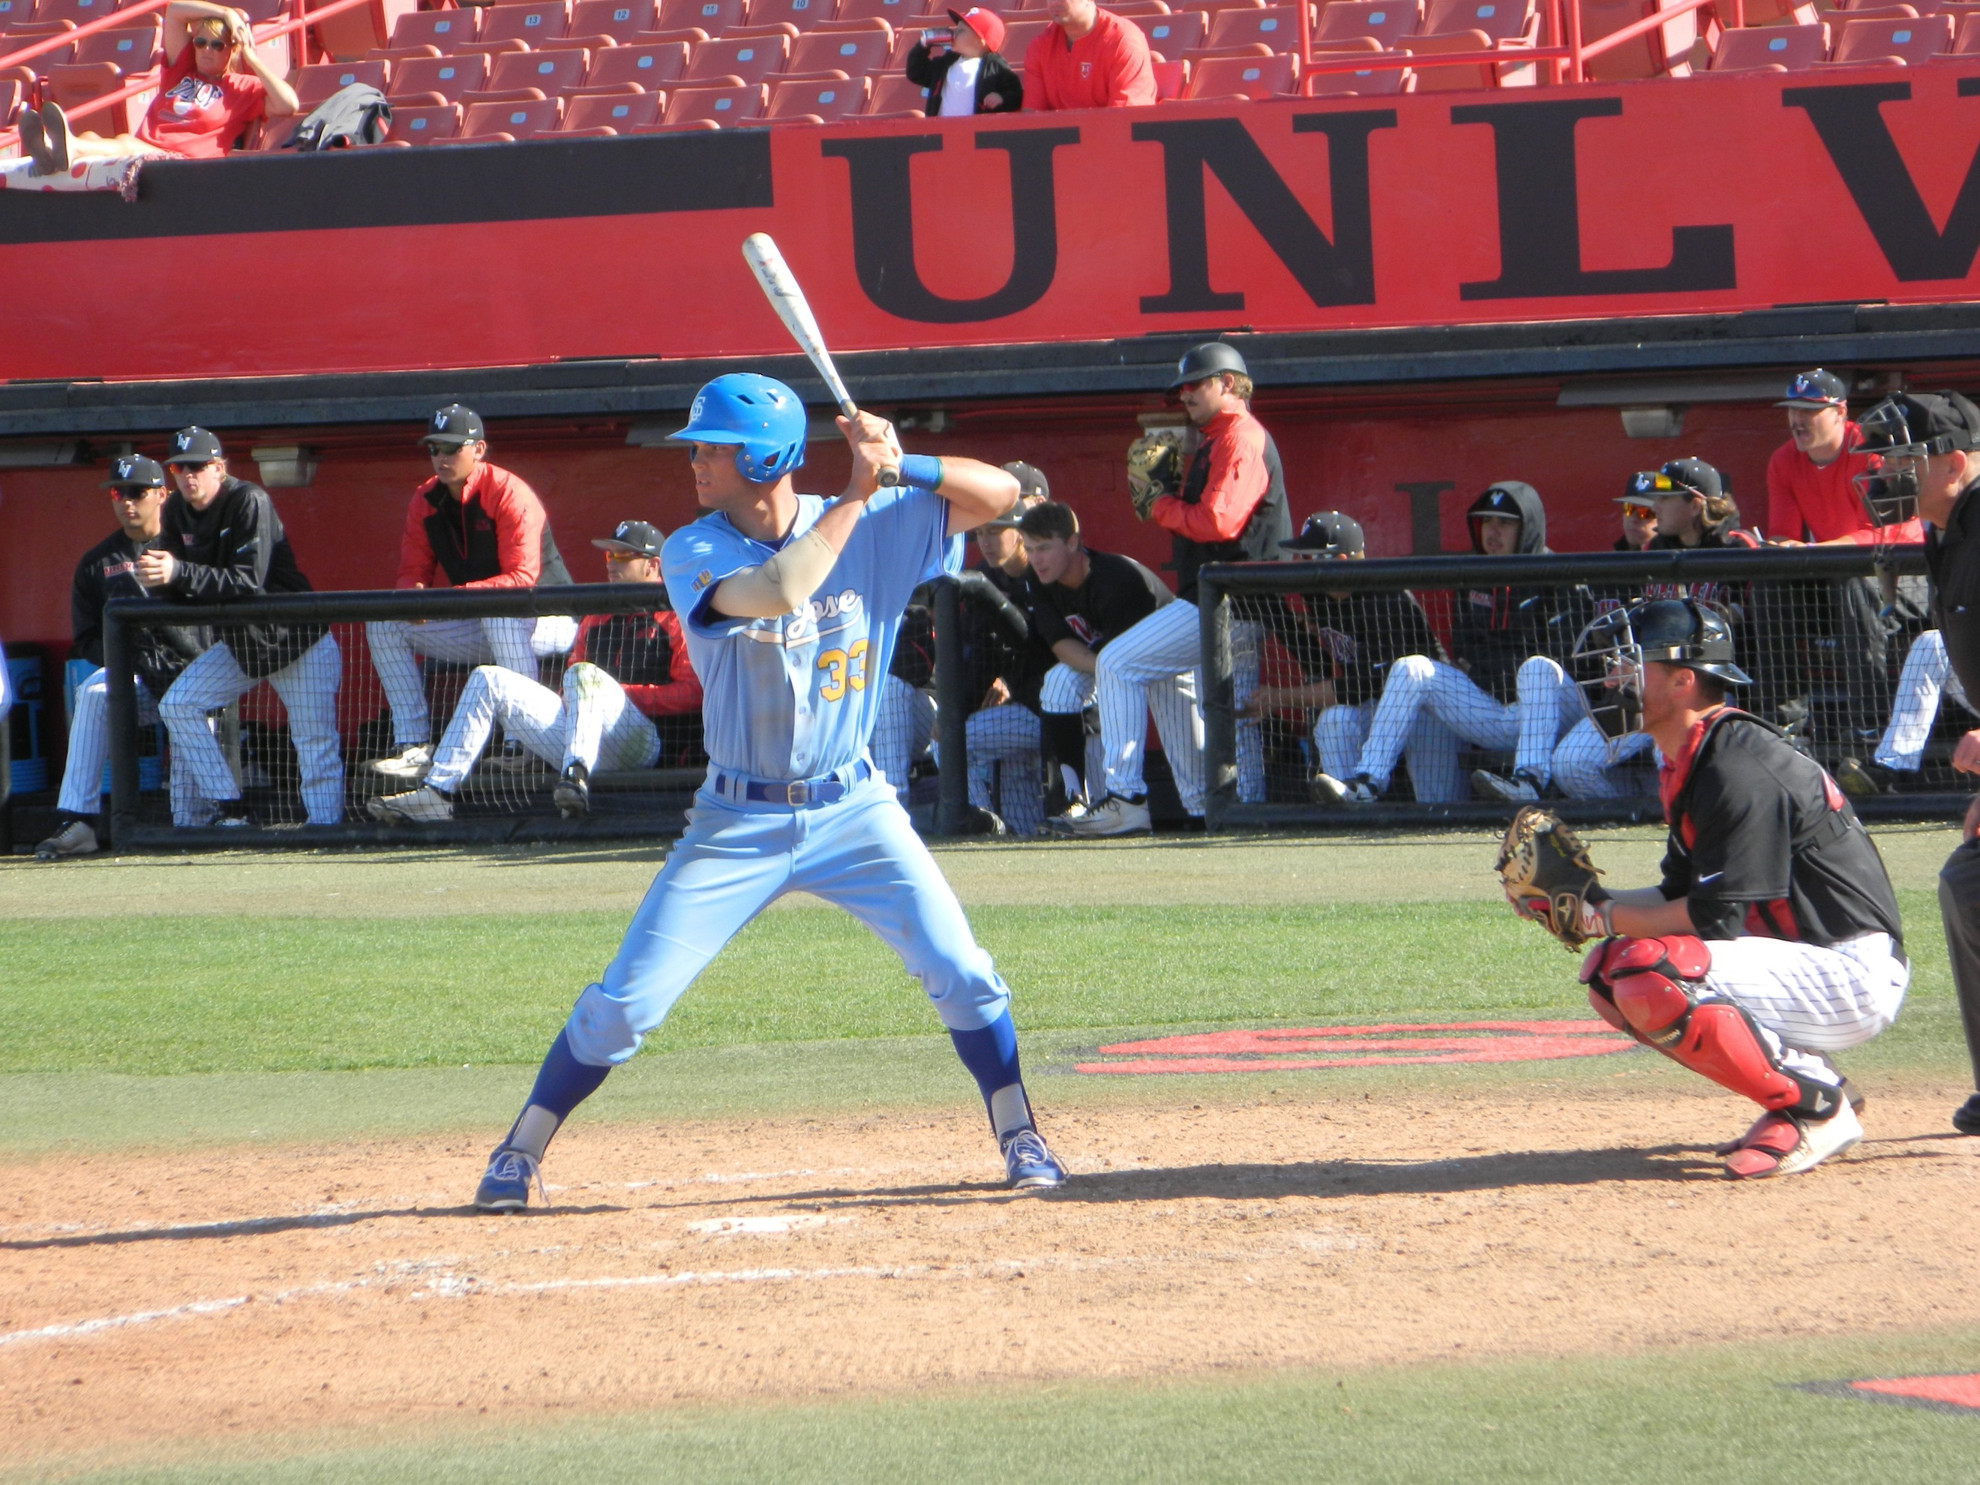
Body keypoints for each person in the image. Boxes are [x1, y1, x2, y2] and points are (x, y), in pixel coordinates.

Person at [469, 374, 1068, 1210]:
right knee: (625, 1005)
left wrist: (904, 464)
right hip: (735, 817)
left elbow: (1004, 493)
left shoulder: (882, 517)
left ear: (765, 457)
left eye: (711, 448)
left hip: (856, 810)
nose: (697, 464)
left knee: (964, 972)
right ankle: (519, 1147)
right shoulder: (692, 547)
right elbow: (781, 588)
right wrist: (860, 492)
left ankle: (1018, 1128)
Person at [1560, 598, 1905, 1178]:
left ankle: (1817, 1109)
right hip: (1805, 962)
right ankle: (1809, 1083)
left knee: (1646, 969)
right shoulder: (1699, 757)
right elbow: (1680, 899)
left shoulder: (1737, 766)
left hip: (1849, 972)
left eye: (1627, 664)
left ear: (1682, 681)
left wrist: (1604, 918)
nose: (1612, 677)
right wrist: (1587, 902)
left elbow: (1711, 920)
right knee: (1607, 974)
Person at [1053, 342, 1288, 836]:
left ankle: (1125, 797)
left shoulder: (1241, 437)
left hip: (1231, 601)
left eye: (1195, 384)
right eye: (1182, 388)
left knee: (1119, 663)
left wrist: (1161, 503)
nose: (1185, 395)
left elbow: (1220, 522)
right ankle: (1216, 810)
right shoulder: (1214, 439)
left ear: (1227, 383)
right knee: (1215, 709)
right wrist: (1175, 496)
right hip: (1223, 598)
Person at [368, 520, 703, 824]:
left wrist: (613, 693)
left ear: (653, 565)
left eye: (622, 558)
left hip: (644, 744)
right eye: (609, 557)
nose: (611, 565)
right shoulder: (597, 616)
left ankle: (575, 777)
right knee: (489, 678)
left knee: (585, 676)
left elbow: (691, 693)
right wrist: (580, 697)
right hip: (584, 740)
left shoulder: (674, 615)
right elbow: (574, 679)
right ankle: (437, 793)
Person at [1847, 391, 1980, 1136]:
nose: (1887, 472)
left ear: (1953, 464)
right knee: (1970, 884)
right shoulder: (1951, 529)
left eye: (1905, 459)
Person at [1315, 482, 1577, 806]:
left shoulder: (1559, 574)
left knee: (1536, 669)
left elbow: (1564, 660)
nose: (1493, 531)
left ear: (1527, 526)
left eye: (1505, 523)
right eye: (1487, 522)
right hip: (1497, 708)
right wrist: (1492, 666)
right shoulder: (1471, 571)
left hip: (1555, 711)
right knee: (1412, 667)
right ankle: (1367, 783)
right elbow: (1464, 650)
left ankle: (1529, 780)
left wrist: (1492, 665)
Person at [363, 406, 578, 783]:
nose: (441, 458)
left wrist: (451, 601)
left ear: (478, 449)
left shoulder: (510, 492)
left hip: (552, 618)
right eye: (434, 449)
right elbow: (412, 572)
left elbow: (521, 578)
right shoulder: (424, 499)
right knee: (384, 623)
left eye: (451, 448)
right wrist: (412, 596)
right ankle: (413, 745)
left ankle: (521, 744)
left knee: (500, 612)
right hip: (485, 617)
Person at [143, 427, 343, 828]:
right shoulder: (176, 511)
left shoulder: (249, 499)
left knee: (314, 745)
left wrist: (178, 571)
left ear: (219, 467)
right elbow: (178, 588)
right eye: (179, 468)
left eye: (197, 466)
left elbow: (246, 581)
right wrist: (156, 580)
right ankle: (230, 806)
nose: (187, 476)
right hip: (243, 644)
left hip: (297, 639)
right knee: (178, 705)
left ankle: (327, 833)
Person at [1552, 460, 1755, 801]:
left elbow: (1763, 636)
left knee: (1676, 754)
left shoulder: (1738, 549)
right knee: (1570, 764)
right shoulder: (1654, 550)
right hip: (1647, 685)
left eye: (1664, 498)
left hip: (1707, 691)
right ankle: (1640, 808)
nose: (1654, 506)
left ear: (1695, 504)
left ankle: (1685, 816)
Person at [35, 457, 205, 860]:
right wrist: (132, 660)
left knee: (191, 815)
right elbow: (87, 639)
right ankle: (79, 821)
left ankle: (203, 826)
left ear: (162, 494)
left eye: (137, 492)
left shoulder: (191, 547)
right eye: (118, 493)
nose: (127, 502)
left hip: (195, 678)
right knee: (92, 693)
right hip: (138, 679)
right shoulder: (99, 561)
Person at [1240, 513, 1459, 801]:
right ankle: (1351, 812)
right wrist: (1303, 626)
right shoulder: (1319, 592)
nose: (1302, 567)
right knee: (1334, 721)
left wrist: (1279, 697)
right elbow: (1327, 665)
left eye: (1309, 559)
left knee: (1439, 804)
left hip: (1428, 708)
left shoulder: (1385, 596)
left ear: (1340, 561)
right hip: (1374, 704)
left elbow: (1362, 685)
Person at [1762, 368, 1928, 741]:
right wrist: (1776, 548)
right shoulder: (1782, 461)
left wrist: (1808, 550)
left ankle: (1867, 729)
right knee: (1771, 587)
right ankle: (1784, 726)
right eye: (1792, 409)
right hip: (1836, 574)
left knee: (1857, 584)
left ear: (1840, 412)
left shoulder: (1870, 449)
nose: (1797, 419)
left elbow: (1877, 537)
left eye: (1809, 410)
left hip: (1905, 574)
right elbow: (1784, 538)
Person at [1018, 500, 1171, 818]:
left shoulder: (1115, 577)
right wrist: (1106, 669)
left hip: (1171, 664)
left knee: (1193, 777)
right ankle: (1070, 801)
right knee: (1058, 681)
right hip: (1113, 664)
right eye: (1029, 549)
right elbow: (1061, 645)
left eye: (1044, 547)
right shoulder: (1040, 578)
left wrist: (1110, 670)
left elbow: (1125, 657)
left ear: (1073, 542)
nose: (1036, 559)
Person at [20, 4, 298, 175]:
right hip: (147, 145)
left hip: (181, 162)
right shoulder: (182, 70)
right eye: (200, 42)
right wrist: (224, 12)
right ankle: (55, 152)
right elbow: (175, 11)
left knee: (122, 144)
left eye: (216, 45)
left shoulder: (242, 88)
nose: (204, 50)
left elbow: (289, 105)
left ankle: (61, 146)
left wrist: (251, 59)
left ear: (232, 50)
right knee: (94, 136)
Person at [956, 492, 1053, 835]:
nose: (985, 541)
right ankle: (1002, 834)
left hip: (1065, 707)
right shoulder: (987, 575)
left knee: (953, 742)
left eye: (994, 531)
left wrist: (1007, 681)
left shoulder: (1046, 570)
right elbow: (982, 651)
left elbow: (1044, 647)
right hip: (1021, 709)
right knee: (1022, 818)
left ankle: (979, 822)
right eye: (979, 533)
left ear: (1019, 531)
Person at [1023, 0, 1156, 110]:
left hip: (1111, 138)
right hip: (1060, 140)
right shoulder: (1040, 46)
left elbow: (1124, 121)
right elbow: (1032, 119)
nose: (1054, 2)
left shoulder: (1123, 39)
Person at [906, 6, 1023, 116]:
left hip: (976, 132)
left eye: (961, 30)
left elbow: (1016, 93)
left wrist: (1001, 98)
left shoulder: (994, 65)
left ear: (980, 41)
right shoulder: (946, 63)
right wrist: (923, 45)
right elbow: (915, 72)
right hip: (941, 131)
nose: (954, 32)